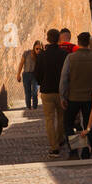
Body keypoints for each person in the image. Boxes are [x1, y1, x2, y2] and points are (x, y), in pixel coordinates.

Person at [59, 31, 92, 159]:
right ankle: (86, 151)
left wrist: (62, 96)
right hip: (90, 98)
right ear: (89, 43)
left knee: (68, 123)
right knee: (89, 125)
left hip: (73, 97)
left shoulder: (70, 58)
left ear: (78, 43)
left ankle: (74, 150)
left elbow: (64, 79)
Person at [36, 28, 67, 158]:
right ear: (59, 38)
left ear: (48, 39)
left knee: (49, 119)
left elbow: (37, 73)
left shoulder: (42, 55)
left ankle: (54, 148)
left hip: (47, 91)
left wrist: (42, 82)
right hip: (61, 91)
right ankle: (60, 140)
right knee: (61, 117)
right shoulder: (64, 54)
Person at [16, 41, 42, 111]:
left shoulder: (41, 56)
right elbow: (21, 64)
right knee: (27, 92)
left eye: (40, 49)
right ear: (34, 47)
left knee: (34, 92)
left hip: (35, 75)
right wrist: (18, 74)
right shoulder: (26, 53)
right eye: (37, 49)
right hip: (26, 74)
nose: (38, 50)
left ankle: (35, 107)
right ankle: (28, 107)